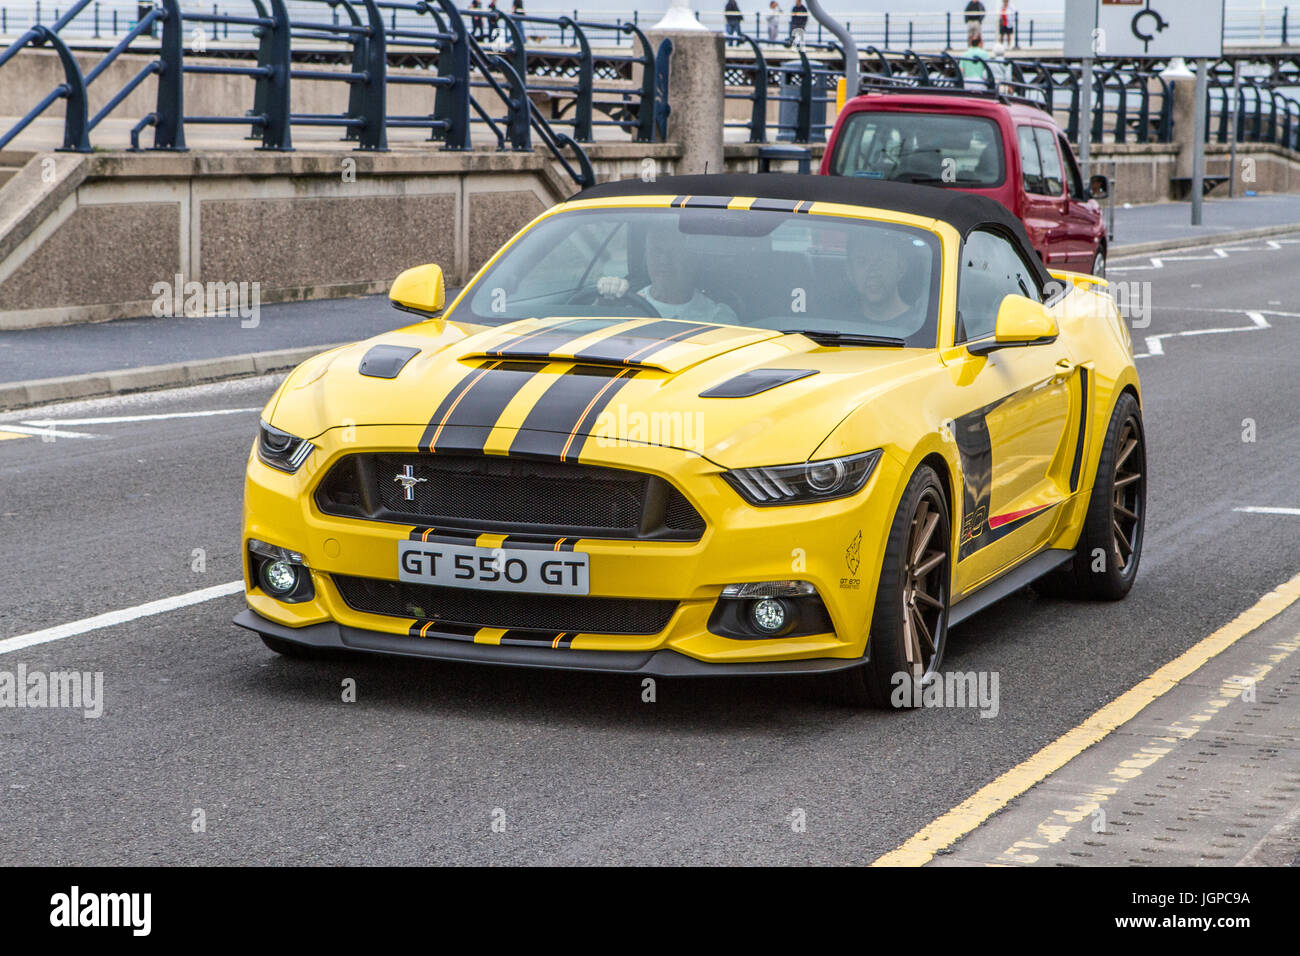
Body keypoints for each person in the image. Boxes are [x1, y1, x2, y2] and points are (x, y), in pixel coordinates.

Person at [597, 225, 738, 324]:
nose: (664, 260)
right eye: (657, 251)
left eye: (675, 251)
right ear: (646, 255)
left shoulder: (716, 316)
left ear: (693, 259)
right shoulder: (623, 302)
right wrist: (604, 301)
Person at [845, 230, 927, 334]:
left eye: (881, 260)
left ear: (901, 268)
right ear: (850, 272)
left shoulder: (920, 327)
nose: (872, 272)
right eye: (862, 261)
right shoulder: (837, 325)